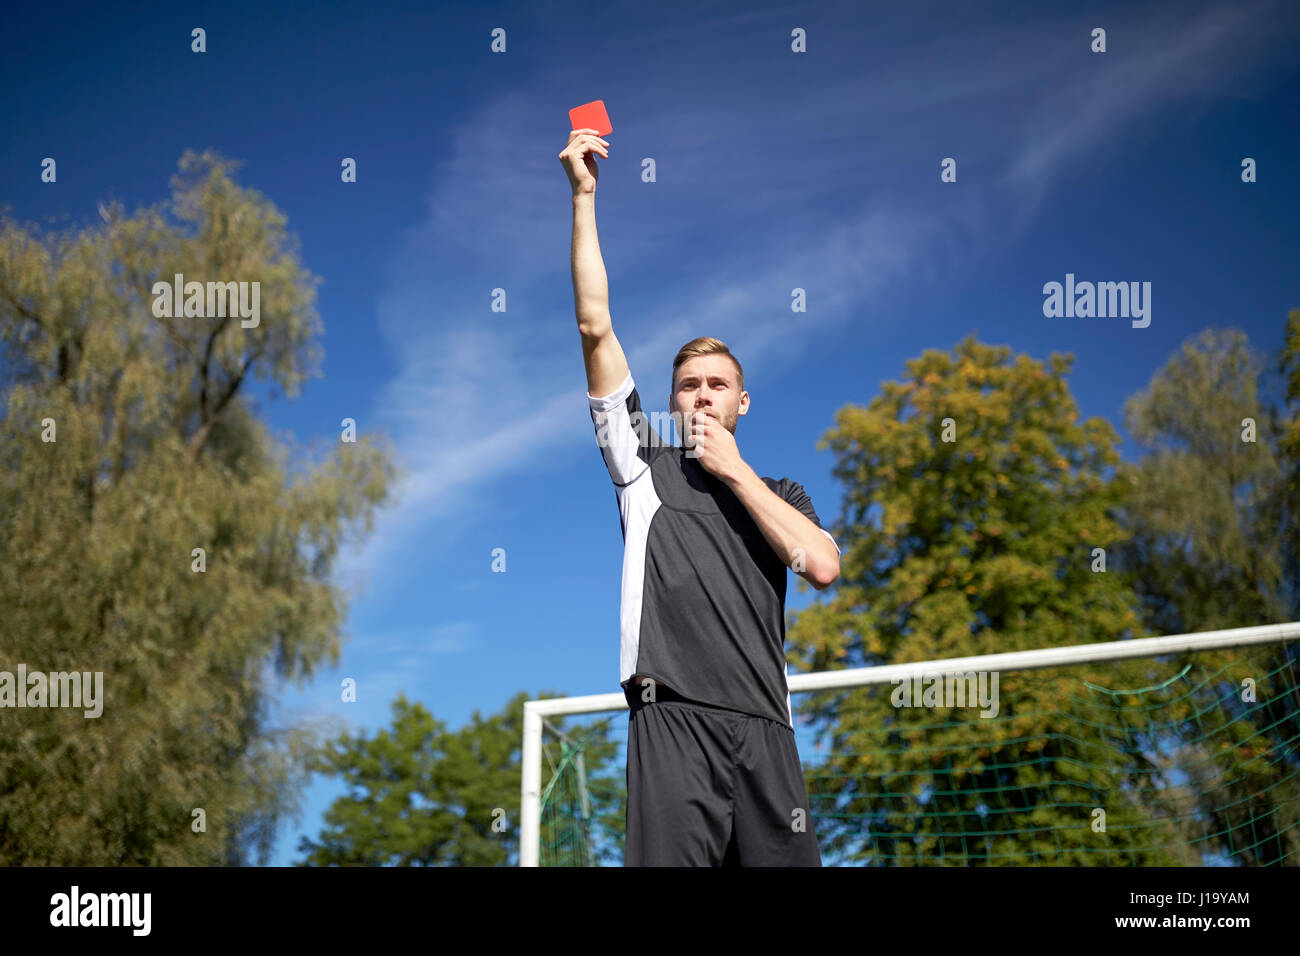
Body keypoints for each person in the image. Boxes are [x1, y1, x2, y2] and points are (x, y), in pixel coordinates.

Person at [560, 128, 841, 866]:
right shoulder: (640, 460)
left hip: (767, 733)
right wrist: (584, 199)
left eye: (718, 385)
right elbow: (596, 327)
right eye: (689, 385)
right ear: (673, 401)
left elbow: (820, 566)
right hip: (672, 723)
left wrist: (737, 475)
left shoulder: (782, 492)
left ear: (742, 402)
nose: (702, 395)